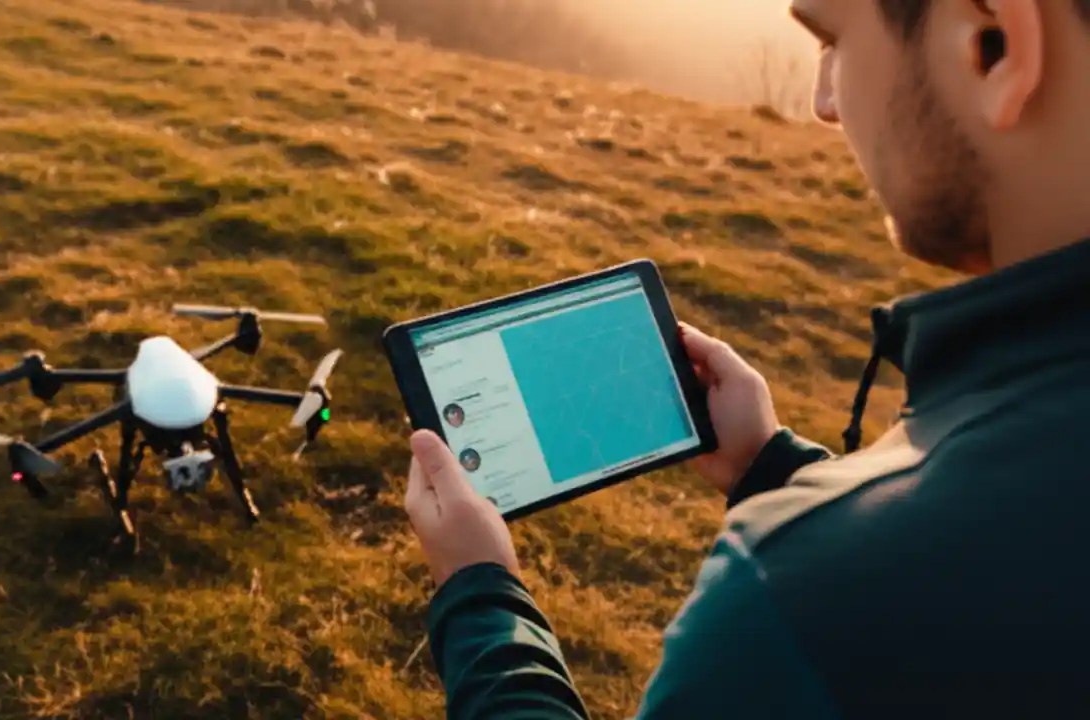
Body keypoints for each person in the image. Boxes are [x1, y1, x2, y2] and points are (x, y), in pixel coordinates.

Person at [402, 1, 1090, 717]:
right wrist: (770, 467)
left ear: (994, 44)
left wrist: (480, 593)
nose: (824, 102)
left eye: (833, 41)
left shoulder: (803, 596)